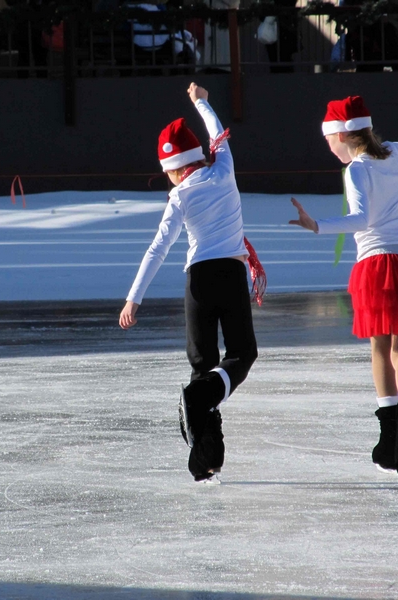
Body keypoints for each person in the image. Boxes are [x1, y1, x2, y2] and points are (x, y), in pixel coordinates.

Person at [289, 66, 398, 479]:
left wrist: (317, 224)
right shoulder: (393, 152)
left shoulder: (355, 169)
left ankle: (389, 433)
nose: (329, 147)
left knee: (380, 349)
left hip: (377, 265)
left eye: (328, 140)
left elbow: (360, 219)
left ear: (341, 135)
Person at [119, 82, 259, 484]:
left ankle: (206, 461)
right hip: (230, 275)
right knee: (241, 355)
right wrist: (201, 101)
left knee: (203, 369)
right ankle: (203, 429)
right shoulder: (224, 166)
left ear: (176, 169)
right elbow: (218, 131)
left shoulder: (179, 198)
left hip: (196, 280)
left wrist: (134, 300)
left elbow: (157, 249)